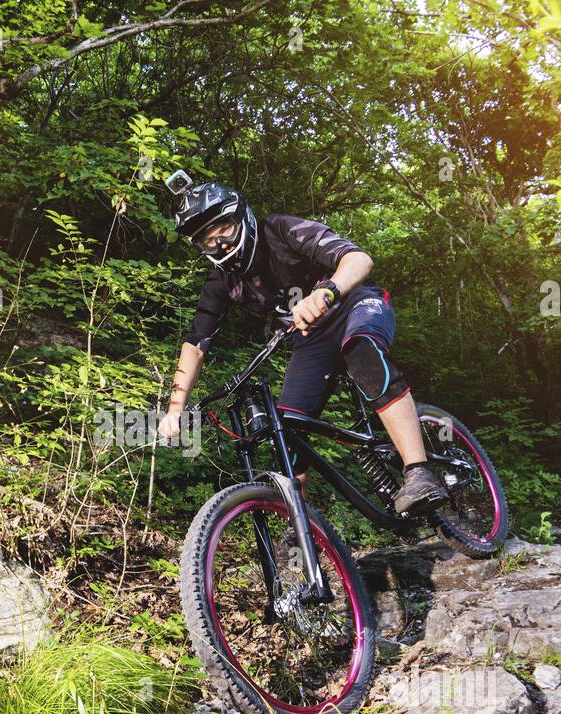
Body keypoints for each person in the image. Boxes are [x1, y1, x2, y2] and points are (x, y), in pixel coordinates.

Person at [156, 175, 450, 515]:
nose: (219, 243)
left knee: (362, 351)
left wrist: (325, 292)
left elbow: (359, 260)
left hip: (356, 305)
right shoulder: (223, 281)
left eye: (222, 229)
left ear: (240, 217)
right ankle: (303, 529)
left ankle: (418, 471)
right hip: (310, 339)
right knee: (288, 429)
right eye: (207, 240)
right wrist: (176, 408)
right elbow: (195, 343)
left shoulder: (282, 231)